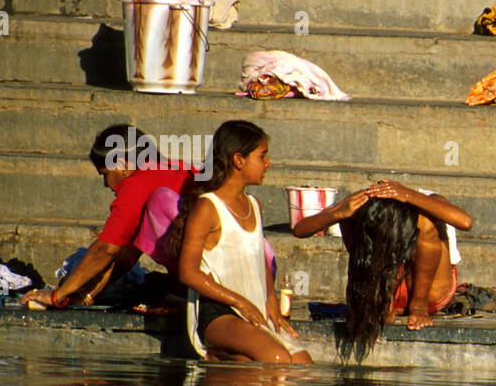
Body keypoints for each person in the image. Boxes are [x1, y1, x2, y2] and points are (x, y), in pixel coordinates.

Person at [177, 120, 311, 363]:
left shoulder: (254, 205)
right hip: (219, 312)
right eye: (262, 156)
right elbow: (187, 272)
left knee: (303, 366)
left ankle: (228, 359)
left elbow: (259, 258)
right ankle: (219, 353)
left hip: (254, 310)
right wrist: (240, 302)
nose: (268, 164)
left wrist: (271, 301)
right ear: (238, 160)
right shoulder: (207, 206)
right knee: (277, 359)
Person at [293, 180, 472, 357]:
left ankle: (418, 305)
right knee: (348, 217)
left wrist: (408, 195)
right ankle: (383, 304)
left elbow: (465, 222)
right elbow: (300, 230)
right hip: (384, 281)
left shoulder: (421, 201)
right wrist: (338, 212)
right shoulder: (361, 203)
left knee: (427, 222)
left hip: (427, 288)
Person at [22, 125, 193, 309]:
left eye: (105, 174)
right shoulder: (170, 169)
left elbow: (106, 250)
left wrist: (56, 296)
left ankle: (181, 294)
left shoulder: (136, 184)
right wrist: (81, 294)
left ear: (122, 165)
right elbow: (124, 255)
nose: (106, 184)